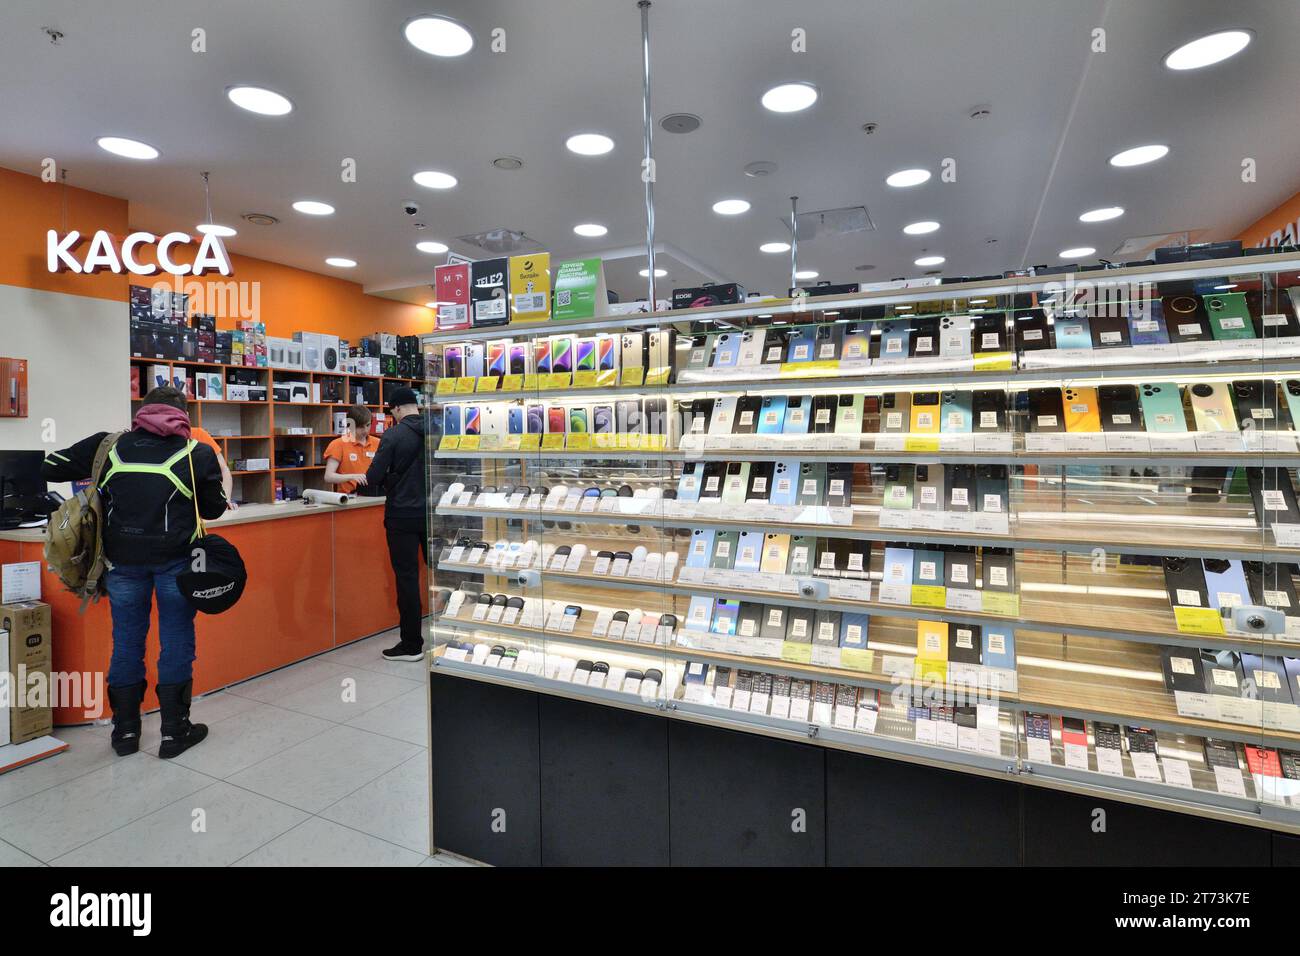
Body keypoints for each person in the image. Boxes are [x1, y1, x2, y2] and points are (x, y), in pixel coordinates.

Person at [41, 386, 228, 758]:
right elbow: (214, 510)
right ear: (184, 416)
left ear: (141, 412)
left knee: (127, 641)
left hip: (121, 564)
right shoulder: (198, 453)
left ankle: (125, 734)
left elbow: (50, 466)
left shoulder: (109, 447)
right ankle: (175, 733)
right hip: (178, 562)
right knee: (176, 639)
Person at [363, 387, 428, 661]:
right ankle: (459, 633)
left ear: (398, 409)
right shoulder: (437, 430)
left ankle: (411, 645)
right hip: (435, 513)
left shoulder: (393, 435)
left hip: (402, 516)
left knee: (407, 579)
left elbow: (374, 475)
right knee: (446, 573)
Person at [323, 404, 380, 494]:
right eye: (361, 427)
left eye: (368, 425)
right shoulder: (338, 444)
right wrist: (352, 476)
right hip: (348, 498)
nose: (365, 430)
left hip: (373, 496)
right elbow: (328, 476)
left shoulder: (378, 443)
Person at [190, 424, 235, 505]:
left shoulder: (198, 434)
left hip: (202, 505)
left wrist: (226, 500)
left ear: (187, 415)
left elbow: (224, 469)